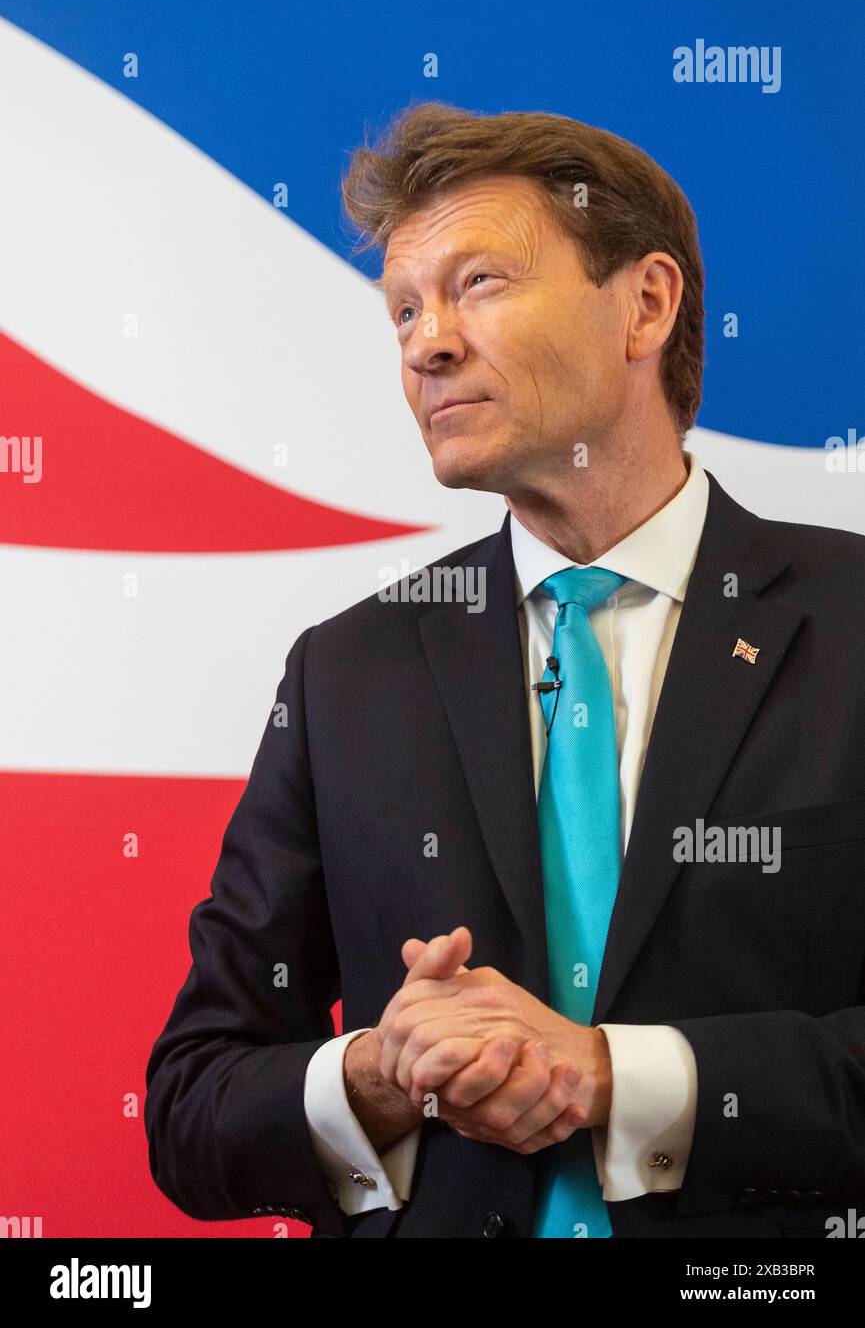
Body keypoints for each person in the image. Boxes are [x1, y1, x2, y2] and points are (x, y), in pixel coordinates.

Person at [144, 102, 865, 1238]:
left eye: (476, 283)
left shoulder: (849, 625)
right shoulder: (346, 674)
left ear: (645, 303)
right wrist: (380, 1070)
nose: (427, 343)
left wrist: (614, 1073)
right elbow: (190, 1106)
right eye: (402, 312)